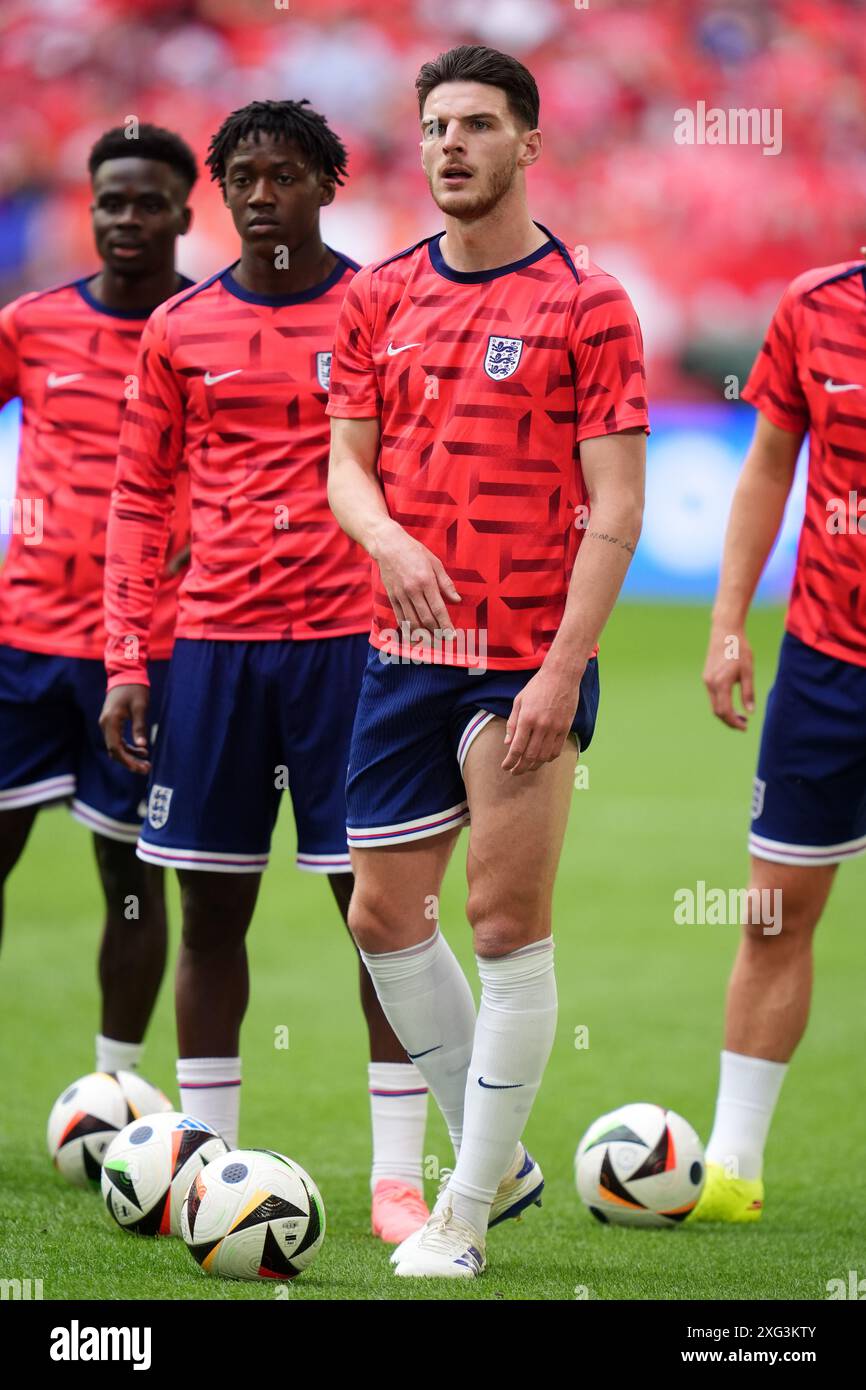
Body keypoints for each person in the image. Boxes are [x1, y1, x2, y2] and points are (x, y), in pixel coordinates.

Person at [327, 45, 648, 1278]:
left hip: (521, 663)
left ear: (528, 144)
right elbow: (344, 462)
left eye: (475, 124)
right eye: (433, 126)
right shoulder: (380, 295)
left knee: (503, 923)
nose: (449, 144)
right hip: (402, 653)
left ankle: (460, 1216)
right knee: (379, 916)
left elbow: (614, 503)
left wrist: (564, 669)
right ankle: (496, 1154)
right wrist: (387, 533)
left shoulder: (586, 301)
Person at [101, 100, 430, 1246]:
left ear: (326, 187)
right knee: (209, 914)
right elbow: (140, 499)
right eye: (239, 175)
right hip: (216, 650)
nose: (257, 194)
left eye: (282, 174)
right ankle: (201, 1160)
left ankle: (398, 1177)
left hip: (353, 647)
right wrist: (127, 654)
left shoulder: (381, 310)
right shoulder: (179, 329)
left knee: (378, 915)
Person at [0, 124, 195, 1075]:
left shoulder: (210, 328)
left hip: (153, 654)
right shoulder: (33, 324)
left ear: (185, 214)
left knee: (128, 869)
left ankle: (114, 1081)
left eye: (147, 201)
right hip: (23, 642)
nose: (127, 218)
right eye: (111, 201)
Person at [697, 256, 866, 1222]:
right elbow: (768, 462)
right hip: (827, 660)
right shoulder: (814, 305)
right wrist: (730, 621)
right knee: (773, 912)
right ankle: (733, 1169)